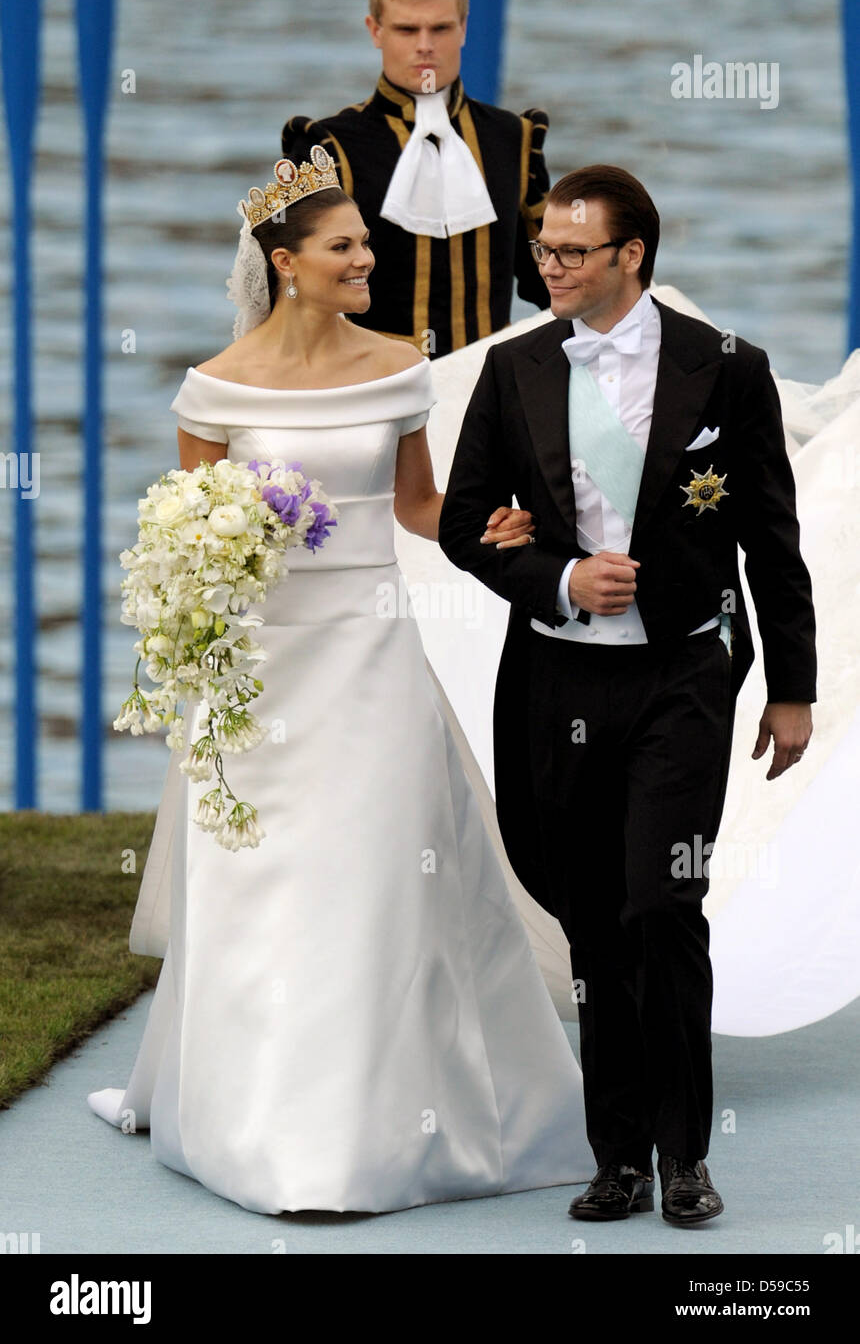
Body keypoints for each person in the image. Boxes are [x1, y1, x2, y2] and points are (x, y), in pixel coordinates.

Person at [86, 147, 594, 1215]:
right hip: (261, 666)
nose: (369, 257)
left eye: (366, 240)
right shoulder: (212, 389)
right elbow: (191, 526)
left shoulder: (397, 368)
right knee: (266, 882)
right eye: (346, 245)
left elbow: (417, 504)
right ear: (285, 262)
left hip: (369, 651)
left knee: (374, 873)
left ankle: (376, 1127)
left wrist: (491, 531)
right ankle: (257, 1121)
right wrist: (198, 597)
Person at [438, 164, 816, 1226]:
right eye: (542, 250)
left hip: (684, 671)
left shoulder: (727, 369)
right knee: (594, 920)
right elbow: (464, 521)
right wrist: (556, 577)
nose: (545, 267)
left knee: (662, 902)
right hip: (556, 675)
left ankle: (685, 1155)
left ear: (629, 257)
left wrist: (791, 687)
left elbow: (770, 539)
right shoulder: (511, 369)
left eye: (567, 252)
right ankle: (616, 1158)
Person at [281, 0, 549, 357]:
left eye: (440, 28)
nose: (425, 45)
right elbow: (296, 295)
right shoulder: (329, 147)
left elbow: (548, 279)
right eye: (407, 29)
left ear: (463, 29)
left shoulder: (515, 137)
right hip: (371, 389)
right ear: (375, 31)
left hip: (491, 390)